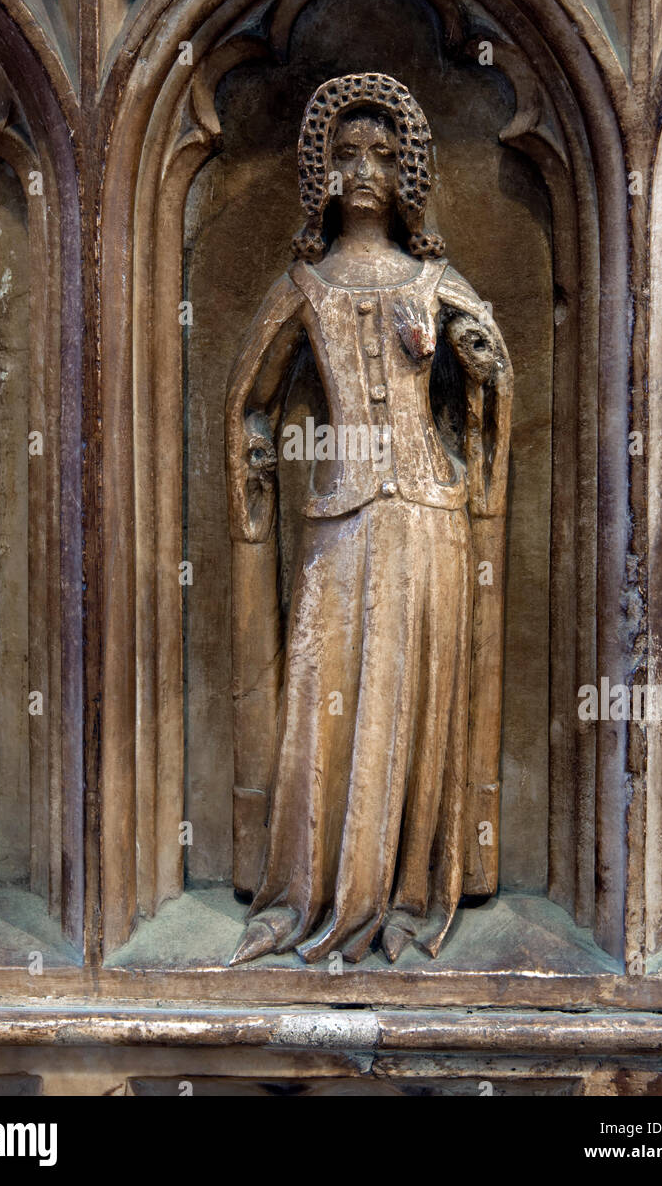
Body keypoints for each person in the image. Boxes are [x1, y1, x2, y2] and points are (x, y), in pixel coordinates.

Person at [225, 74, 511, 964]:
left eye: (382, 157)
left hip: (429, 517)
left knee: (419, 703)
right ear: (321, 171)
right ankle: (312, 892)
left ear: (406, 176)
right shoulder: (305, 286)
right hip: (340, 521)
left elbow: (492, 383)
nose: (362, 172)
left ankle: (405, 898)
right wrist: (256, 462)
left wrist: (479, 366)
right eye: (345, 155)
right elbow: (250, 401)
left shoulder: (435, 280)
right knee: (329, 700)